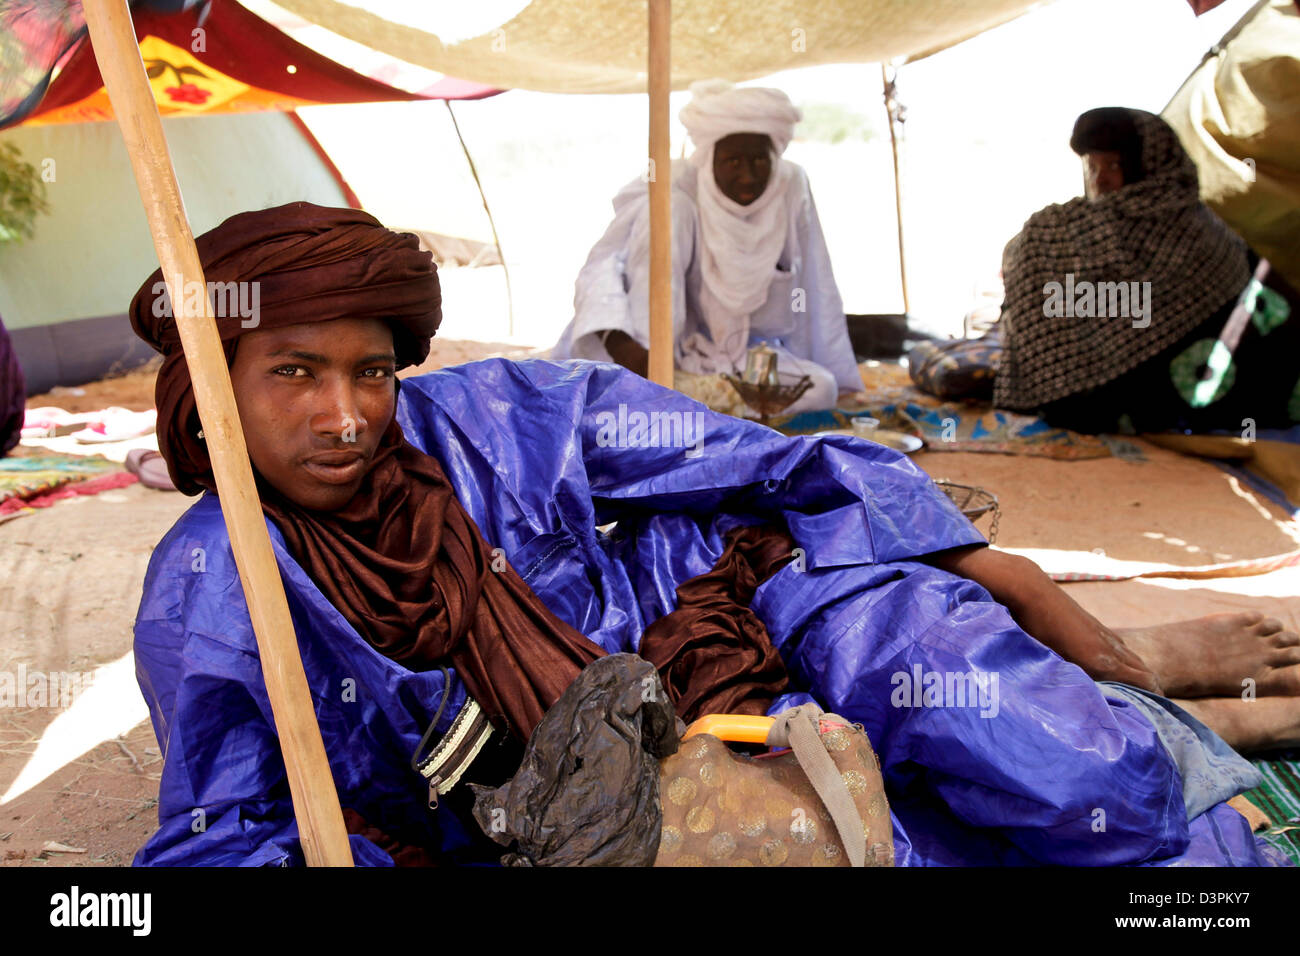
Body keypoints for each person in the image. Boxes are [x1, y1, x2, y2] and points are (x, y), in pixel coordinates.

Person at [129, 203, 1298, 867]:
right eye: (295, 372)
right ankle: (1178, 716)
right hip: (585, 808)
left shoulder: (485, 414)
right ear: (214, 389)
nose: (347, 415)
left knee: (1025, 745)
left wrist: (979, 554)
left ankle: (1140, 726)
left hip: (717, 606)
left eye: (370, 370)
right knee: (884, 845)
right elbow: (228, 838)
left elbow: (764, 456)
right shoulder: (214, 598)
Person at [550, 79, 863, 416]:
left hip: (747, 360)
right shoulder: (677, 186)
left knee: (821, 388)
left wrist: (831, 372)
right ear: (710, 157)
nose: (747, 176)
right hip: (664, 355)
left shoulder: (790, 185)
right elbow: (604, 265)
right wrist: (630, 351)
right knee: (672, 212)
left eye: (759, 161)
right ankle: (650, 388)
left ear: (774, 157)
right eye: (733, 162)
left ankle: (683, 400)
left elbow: (816, 282)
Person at [992, 106, 1300, 433]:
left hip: (1213, 382)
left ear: (1152, 164)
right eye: (1091, 165)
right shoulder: (1074, 228)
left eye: (1113, 165)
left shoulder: (1191, 229)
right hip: (1099, 391)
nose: (1099, 179)